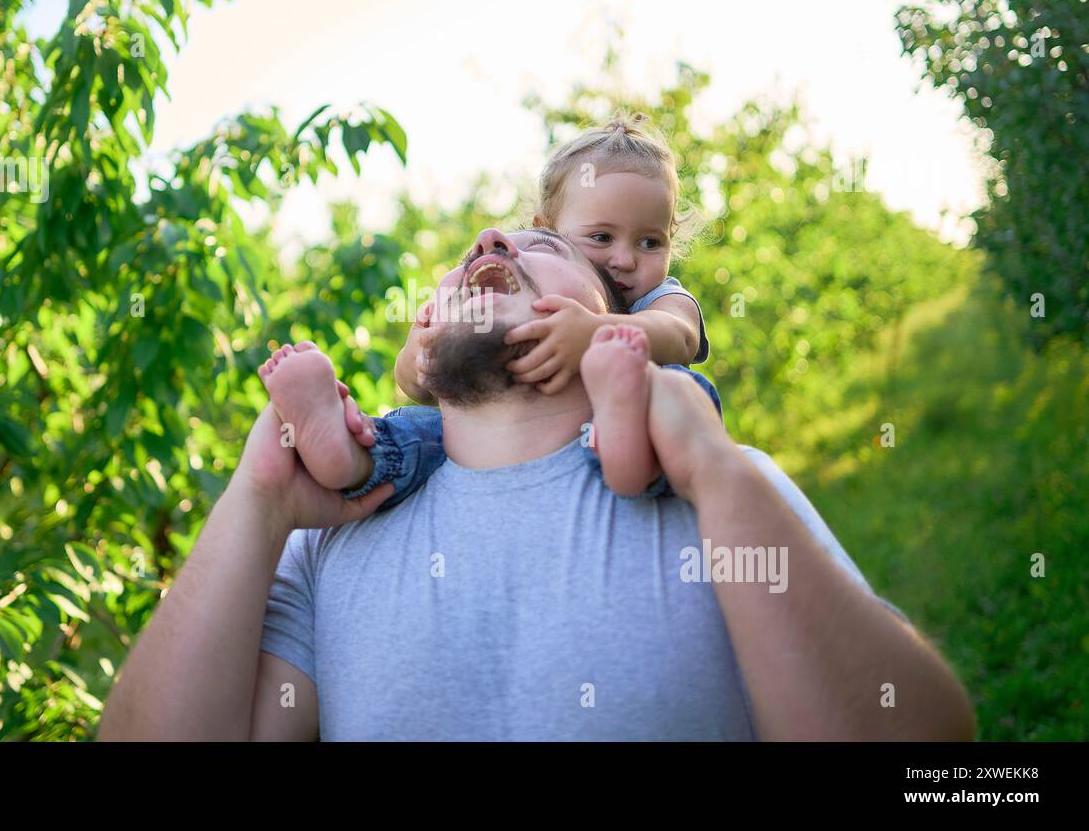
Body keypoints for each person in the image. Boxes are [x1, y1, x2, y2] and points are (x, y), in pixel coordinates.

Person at [99, 226, 976, 741]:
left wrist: (714, 465)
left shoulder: (716, 498)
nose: (490, 243)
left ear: (610, 324)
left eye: (545, 246)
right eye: (466, 259)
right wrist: (255, 500)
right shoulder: (330, 542)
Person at [260, 113, 720, 505]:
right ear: (550, 229)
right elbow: (415, 384)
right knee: (421, 425)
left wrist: (598, 331)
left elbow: (678, 337)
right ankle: (351, 456)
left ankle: (631, 454)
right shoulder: (500, 291)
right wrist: (420, 349)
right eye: (601, 237)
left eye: (650, 242)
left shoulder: (657, 297)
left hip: (623, 418)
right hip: (494, 427)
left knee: (680, 387)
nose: (624, 258)